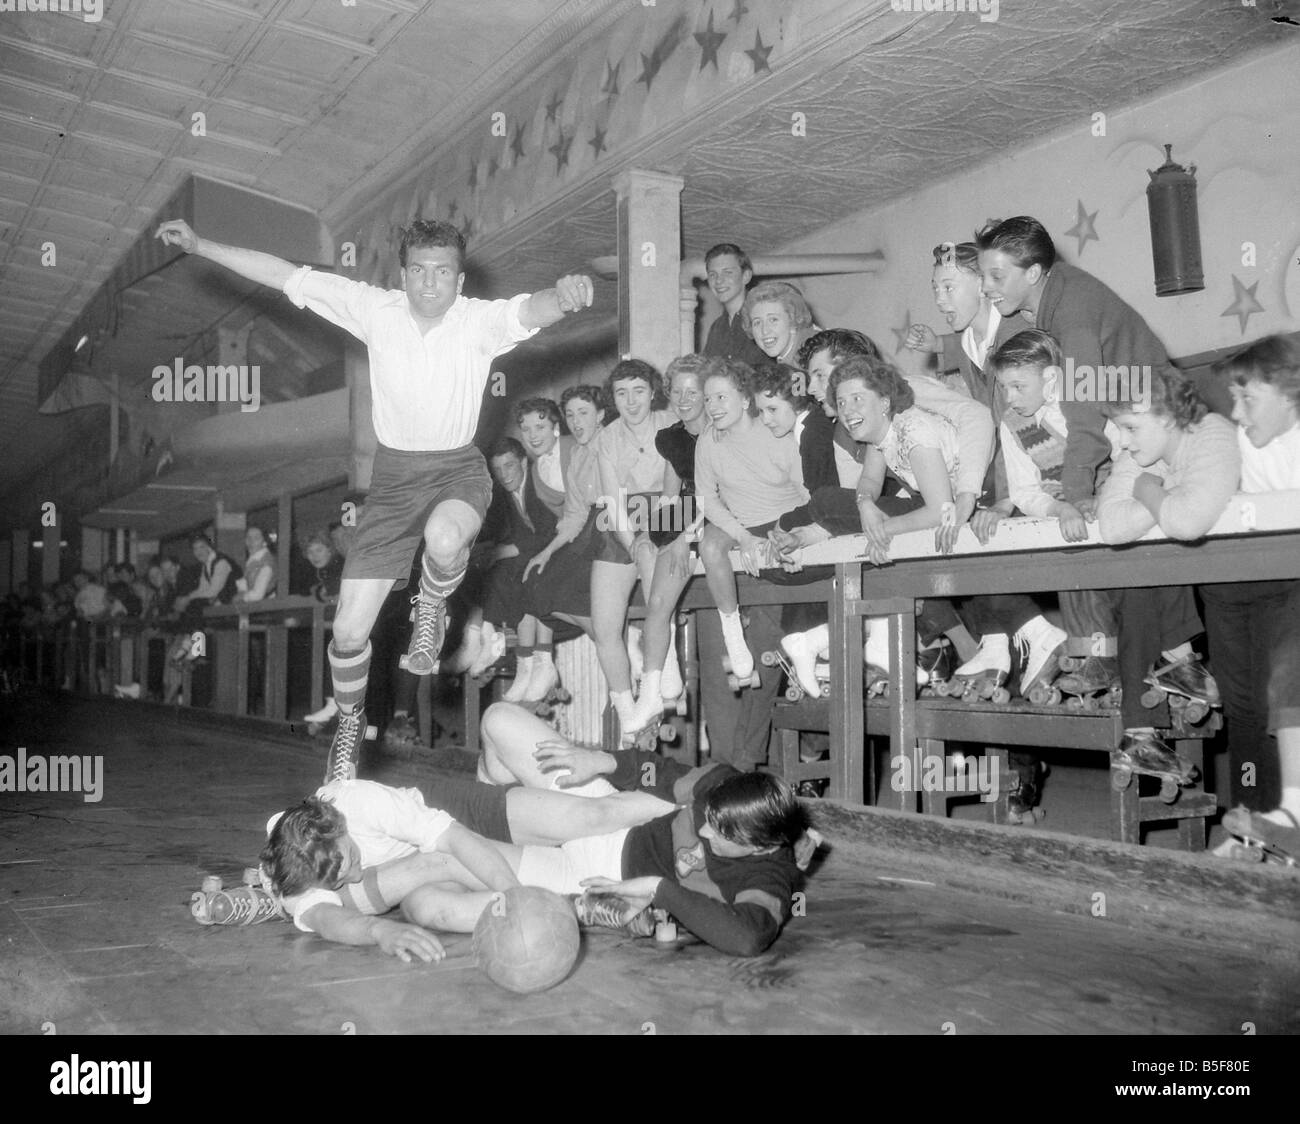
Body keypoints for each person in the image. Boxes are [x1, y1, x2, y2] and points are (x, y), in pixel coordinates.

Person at [156, 216, 594, 782]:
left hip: (457, 469)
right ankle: (348, 728)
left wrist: (562, 295)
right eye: (419, 272)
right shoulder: (373, 308)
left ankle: (430, 608)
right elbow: (284, 274)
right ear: (403, 275)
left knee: (444, 539)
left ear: (459, 282)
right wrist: (202, 243)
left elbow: (530, 309)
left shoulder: (477, 321)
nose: (430, 284)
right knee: (347, 633)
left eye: (443, 274)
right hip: (392, 483)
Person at [471, 701, 819, 957]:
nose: (706, 833)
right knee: (499, 719)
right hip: (612, 824)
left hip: (593, 879)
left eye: (721, 834)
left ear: (760, 847)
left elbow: (746, 938)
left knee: (451, 861)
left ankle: (505, 820)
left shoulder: (771, 879)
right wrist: (600, 760)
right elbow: (657, 772)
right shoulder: (723, 784)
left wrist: (657, 889)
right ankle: (494, 795)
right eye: (708, 820)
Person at [1093, 365, 1238, 773]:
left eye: (1130, 428)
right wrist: (1160, 496)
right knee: (1136, 565)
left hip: (1251, 583)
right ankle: (1150, 713)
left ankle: (1175, 666)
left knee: (1150, 554)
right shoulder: (1143, 454)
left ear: (1169, 417)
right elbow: (1112, 526)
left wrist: (1152, 493)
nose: (1120, 442)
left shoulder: (1211, 431)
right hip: (1197, 589)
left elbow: (1189, 521)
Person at [976, 215, 1170, 515]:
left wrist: (1076, 495)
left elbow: (1083, 411)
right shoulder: (1053, 289)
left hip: (1156, 421)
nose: (985, 288)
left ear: (1033, 273)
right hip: (1130, 419)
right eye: (983, 276)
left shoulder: (1073, 316)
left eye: (997, 277)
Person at [1202, 335, 1300, 853]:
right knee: (1240, 711)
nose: (1237, 414)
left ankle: (1283, 817)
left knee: (1277, 702)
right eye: (1232, 400)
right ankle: (1244, 823)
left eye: (1248, 399)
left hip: (1287, 585)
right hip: (1233, 581)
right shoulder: (1236, 439)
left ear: (1288, 392)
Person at [695, 357, 808, 687]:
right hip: (742, 524)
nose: (713, 407)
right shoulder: (707, 441)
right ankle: (732, 630)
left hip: (784, 519)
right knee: (710, 544)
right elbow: (706, 499)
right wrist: (743, 537)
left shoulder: (775, 432)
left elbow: (806, 494)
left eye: (721, 397)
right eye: (708, 399)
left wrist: (793, 532)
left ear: (745, 400)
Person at [589, 359, 676, 738]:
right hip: (622, 520)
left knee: (652, 572)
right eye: (622, 393)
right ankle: (627, 710)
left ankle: (658, 681)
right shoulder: (606, 436)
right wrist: (633, 541)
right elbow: (611, 499)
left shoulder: (671, 422)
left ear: (653, 391)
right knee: (604, 622)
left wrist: (648, 541)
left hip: (672, 512)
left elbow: (682, 489)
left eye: (639, 390)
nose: (631, 400)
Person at [626, 354, 711, 732]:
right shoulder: (672, 437)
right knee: (645, 549)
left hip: (720, 507)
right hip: (688, 507)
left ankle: (653, 688)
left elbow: (722, 491)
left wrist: (682, 536)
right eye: (676, 391)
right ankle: (660, 675)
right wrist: (653, 529)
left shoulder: (723, 429)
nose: (683, 398)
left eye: (692, 391)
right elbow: (669, 495)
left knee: (658, 600)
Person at [701, 243, 767, 365]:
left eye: (727, 272)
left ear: (746, 276)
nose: (719, 280)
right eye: (712, 275)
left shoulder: (763, 316)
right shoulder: (717, 327)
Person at [743, 281, 817, 368]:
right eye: (757, 323)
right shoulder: (789, 355)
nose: (764, 331)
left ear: (792, 319)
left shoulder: (812, 355)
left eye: (773, 319)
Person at [233, 525, 276, 603]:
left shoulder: (266, 562)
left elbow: (257, 595)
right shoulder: (252, 560)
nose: (251, 542)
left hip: (267, 608)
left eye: (256, 538)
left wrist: (241, 596)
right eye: (248, 538)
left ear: (264, 542)